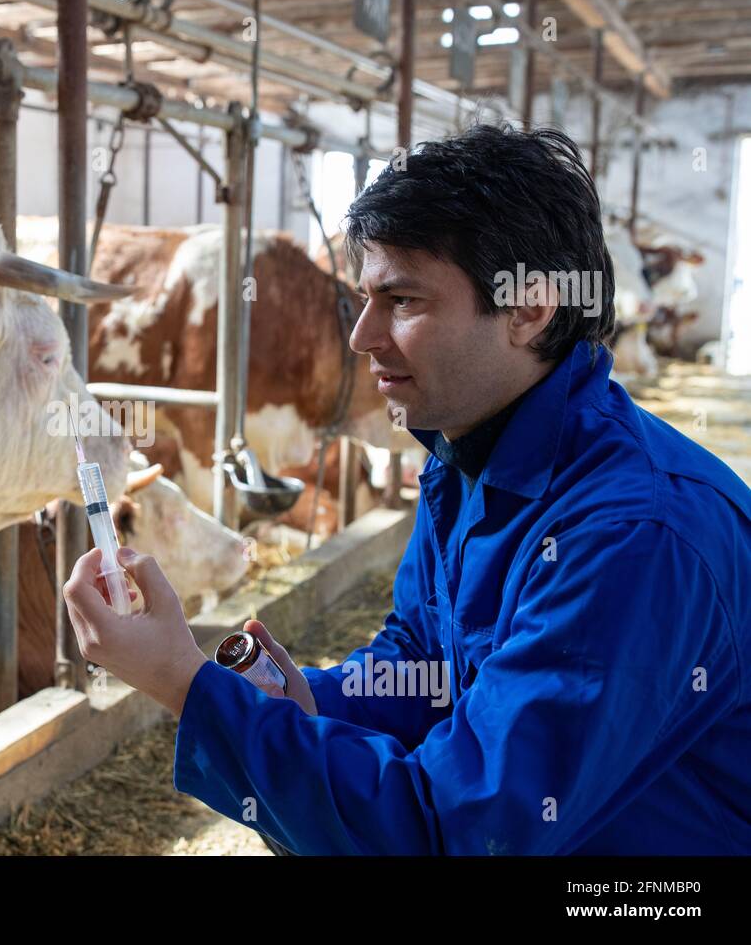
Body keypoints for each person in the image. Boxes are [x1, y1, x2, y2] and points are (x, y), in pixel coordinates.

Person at [63, 123, 751, 855]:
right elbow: (425, 666)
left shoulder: (633, 539)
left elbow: (453, 833)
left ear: (528, 308)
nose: (361, 336)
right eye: (365, 297)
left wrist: (184, 682)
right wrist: (303, 700)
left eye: (403, 301)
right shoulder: (467, 455)